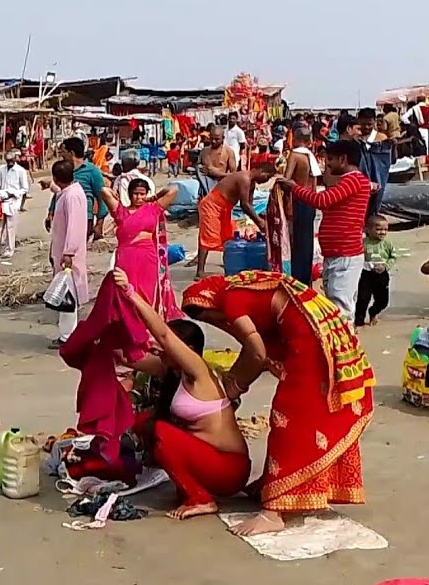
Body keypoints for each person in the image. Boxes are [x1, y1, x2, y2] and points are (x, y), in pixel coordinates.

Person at [180, 272, 374, 536]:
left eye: (208, 318)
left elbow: (257, 352)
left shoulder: (232, 300)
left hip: (311, 346)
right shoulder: (242, 286)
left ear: (209, 303)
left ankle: (273, 513)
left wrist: (233, 388)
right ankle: (277, 484)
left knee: (290, 416)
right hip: (317, 335)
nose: (216, 323)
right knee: (308, 413)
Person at [110, 269, 250, 520]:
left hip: (229, 469)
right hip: (207, 458)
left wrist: (131, 293)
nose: (158, 347)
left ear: (188, 350)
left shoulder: (199, 371)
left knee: (161, 431)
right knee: (144, 421)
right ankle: (173, 476)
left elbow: (162, 334)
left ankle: (201, 499)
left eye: (167, 346)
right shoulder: (172, 370)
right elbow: (127, 358)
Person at [275, 140, 370, 320]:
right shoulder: (351, 182)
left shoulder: (353, 181)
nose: (327, 164)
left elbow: (322, 201)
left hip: (345, 255)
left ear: (343, 159)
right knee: (335, 304)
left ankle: (343, 345)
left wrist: (294, 188)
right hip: (338, 254)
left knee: (340, 308)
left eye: (331, 159)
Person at [100, 179, 181, 317]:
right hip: (126, 257)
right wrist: (116, 195)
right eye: (135, 194)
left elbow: (173, 190)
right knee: (126, 290)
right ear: (130, 194)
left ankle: (147, 322)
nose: (139, 197)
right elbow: (104, 191)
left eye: (142, 194)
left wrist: (153, 197)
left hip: (147, 256)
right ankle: (129, 322)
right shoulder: (121, 212)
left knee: (147, 291)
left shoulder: (153, 208)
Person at [193, 163, 274, 279]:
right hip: (211, 205)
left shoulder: (251, 184)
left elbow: (249, 206)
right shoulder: (244, 178)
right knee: (208, 236)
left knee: (228, 235)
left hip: (225, 208)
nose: (266, 180)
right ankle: (199, 271)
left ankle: (230, 262)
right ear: (260, 171)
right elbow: (244, 205)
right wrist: (259, 222)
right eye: (267, 176)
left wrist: (260, 219)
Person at [47, 160, 90, 344]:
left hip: (69, 252)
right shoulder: (73, 191)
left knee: (67, 295)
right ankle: (68, 333)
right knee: (67, 292)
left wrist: (69, 252)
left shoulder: (72, 196)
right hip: (66, 250)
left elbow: (73, 225)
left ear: (56, 178)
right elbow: (63, 194)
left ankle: (67, 336)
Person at [46, 137, 107, 242]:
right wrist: (51, 213)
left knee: (74, 250)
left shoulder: (92, 171)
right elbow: (59, 192)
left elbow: (102, 197)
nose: (61, 156)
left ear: (71, 153)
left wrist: (99, 224)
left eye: (63, 152)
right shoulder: (64, 169)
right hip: (63, 216)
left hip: (83, 218)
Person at [283, 125, 322, 283]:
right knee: (307, 241)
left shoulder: (295, 155)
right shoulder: (310, 157)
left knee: (298, 242)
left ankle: (298, 278)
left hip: (298, 200)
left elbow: (287, 179)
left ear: (297, 139)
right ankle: (306, 279)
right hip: (311, 201)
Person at [356, 215, 395, 327]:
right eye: (378, 229)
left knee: (383, 300)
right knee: (363, 299)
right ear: (367, 229)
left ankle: (373, 311)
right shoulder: (363, 243)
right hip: (366, 274)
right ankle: (359, 322)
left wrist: (386, 266)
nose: (382, 232)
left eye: (385, 229)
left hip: (382, 275)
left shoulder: (388, 245)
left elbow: (393, 257)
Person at [0, 150, 30, 261]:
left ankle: (10, 249)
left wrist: (13, 193)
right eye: (8, 161)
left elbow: (25, 189)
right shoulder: (2, 169)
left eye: (11, 161)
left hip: (13, 201)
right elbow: (1, 183)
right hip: (2, 199)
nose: (9, 163)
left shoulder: (21, 171)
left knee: (10, 226)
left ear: (15, 159)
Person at [357, 107, 391, 217]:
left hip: (377, 178)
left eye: (369, 124)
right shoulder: (356, 138)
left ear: (374, 122)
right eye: (363, 124)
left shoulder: (381, 138)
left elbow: (384, 162)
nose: (366, 127)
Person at [196, 126, 236, 198]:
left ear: (223, 138)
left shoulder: (228, 152)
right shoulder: (204, 151)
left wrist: (218, 174)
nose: (213, 141)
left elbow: (234, 175)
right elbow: (198, 169)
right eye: (211, 138)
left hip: (221, 187)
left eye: (217, 139)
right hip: (204, 189)